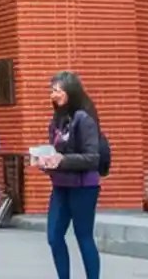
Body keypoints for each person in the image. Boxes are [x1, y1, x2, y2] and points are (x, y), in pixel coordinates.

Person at [36, 71, 102, 279]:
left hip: (84, 187)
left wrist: (63, 160)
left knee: (83, 236)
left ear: (70, 92)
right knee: (54, 236)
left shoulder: (84, 118)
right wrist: (46, 162)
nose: (53, 95)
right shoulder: (56, 121)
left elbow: (93, 158)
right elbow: (56, 153)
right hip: (61, 185)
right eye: (52, 91)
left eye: (58, 91)